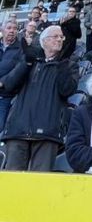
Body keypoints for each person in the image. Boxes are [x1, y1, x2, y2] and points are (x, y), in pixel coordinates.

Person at [0, 26, 78, 171]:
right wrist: (26, 62)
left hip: (48, 132)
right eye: (55, 36)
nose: (59, 39)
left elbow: (67, 90)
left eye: (61, 37)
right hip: (18, 129)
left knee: (39, 182)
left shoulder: (69, 64)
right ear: (44, 41)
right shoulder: (30, 60)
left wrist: (62, 64)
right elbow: (9, 85)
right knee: (13, 181)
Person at [0, 20, 24, 134]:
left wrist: (2, 82)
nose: (12, 31)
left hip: (5, 96)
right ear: (2, 30)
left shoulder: (21, 49)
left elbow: (19, 70)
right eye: (9, 28)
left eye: (14, 28)